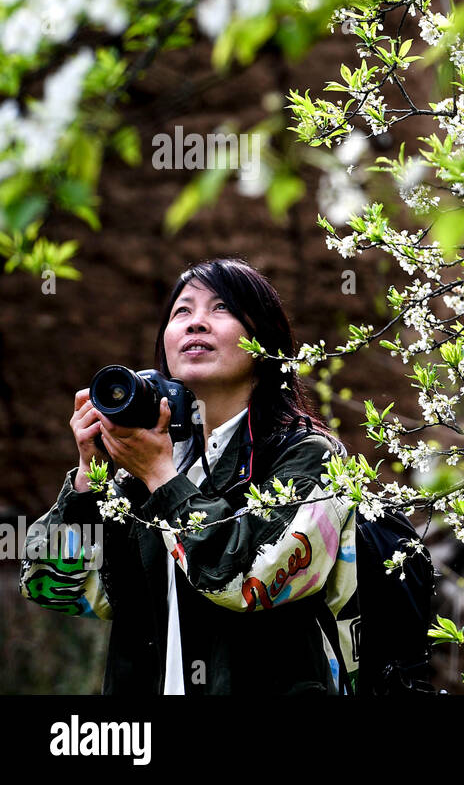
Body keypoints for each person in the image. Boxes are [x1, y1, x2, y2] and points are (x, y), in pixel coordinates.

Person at [20, 257, 357, 695]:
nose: (196, 322)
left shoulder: (308, 457)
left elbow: (247, 583)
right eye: (183, 311)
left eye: (221, 308)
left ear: (265, 342)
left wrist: (163, 479)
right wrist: (89, 480)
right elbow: (51, 587)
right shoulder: (148, 471)